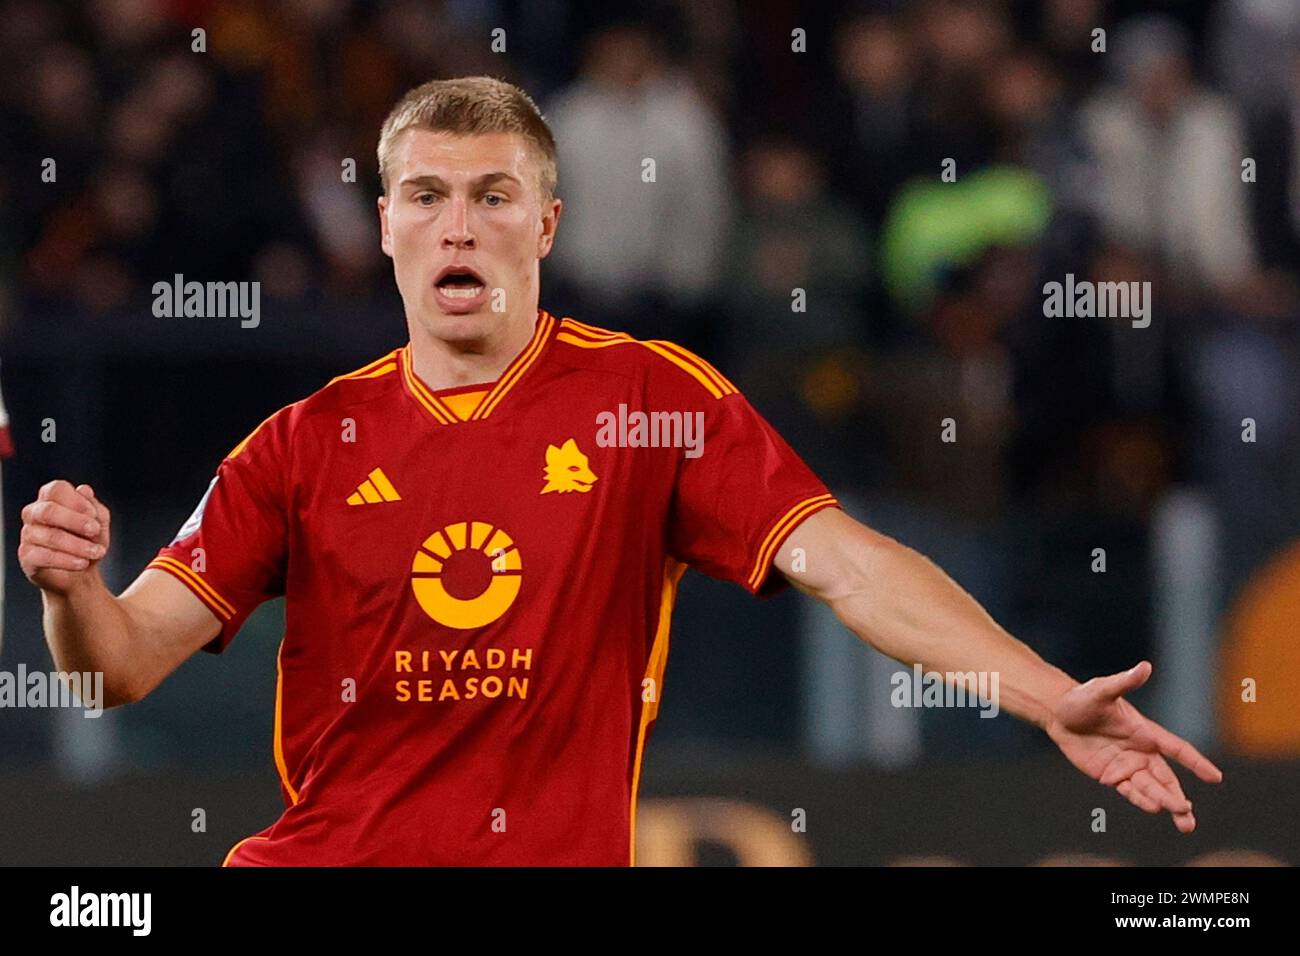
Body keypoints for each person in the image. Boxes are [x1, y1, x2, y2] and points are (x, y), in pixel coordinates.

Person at [18, 76, 1222, 866]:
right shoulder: (298, 443)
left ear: (544, 223)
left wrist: (1038, 688)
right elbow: (112, 670)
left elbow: (848, 566)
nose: (458, 226)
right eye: (426, 196)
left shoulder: (650, 401)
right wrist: (72, 593)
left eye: (493, 196)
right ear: (383, 223)